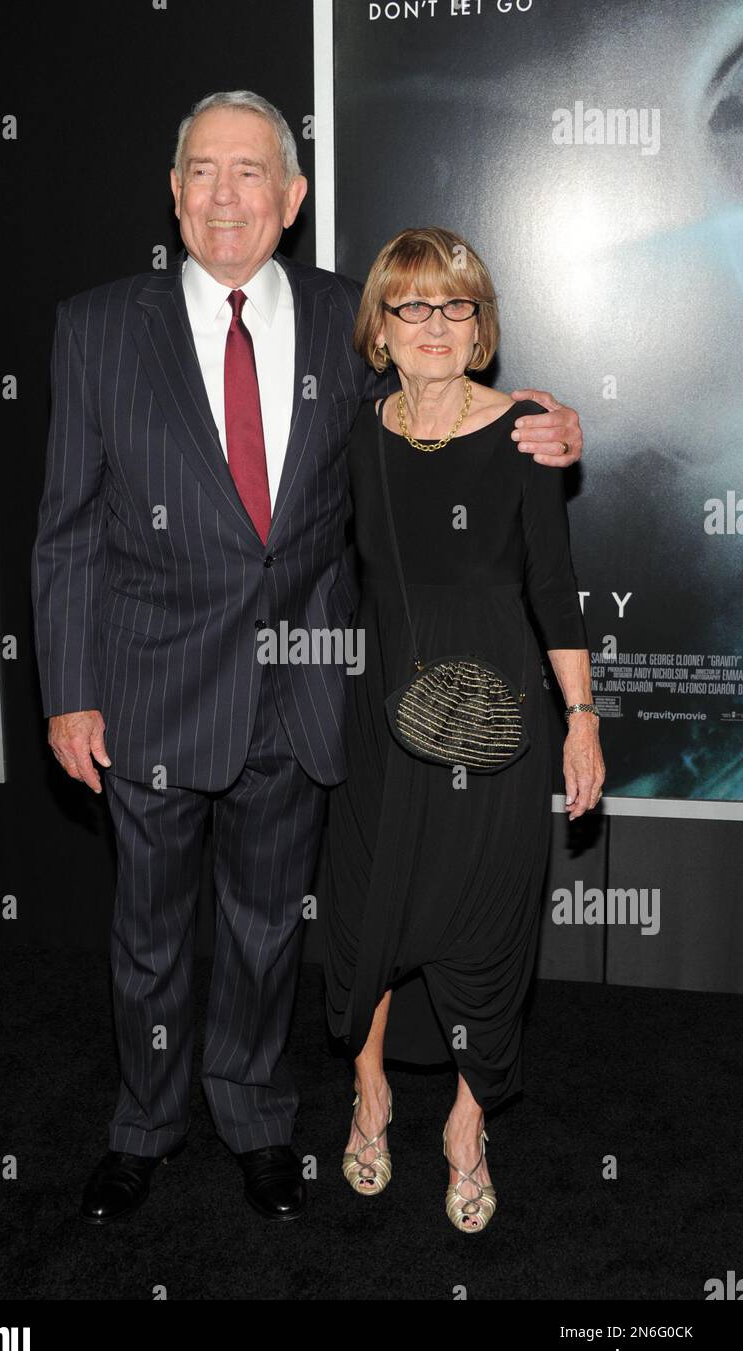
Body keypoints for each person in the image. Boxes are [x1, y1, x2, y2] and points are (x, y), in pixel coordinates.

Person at [31, 92, 584, 1226]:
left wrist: (550, 423)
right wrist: (71, 692)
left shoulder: (351, 319)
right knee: (145, 932)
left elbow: (446, 414)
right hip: (145, 690)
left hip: (303, 690)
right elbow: (67, 528)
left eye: (250, 174)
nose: (224, 195)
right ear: (174, 192)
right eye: (201, 171)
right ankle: (144, 1124)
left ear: (292, 198)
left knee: (264, 929)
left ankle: (255, 1120)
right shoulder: (96, 326)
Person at [324, 227, 604, 1232]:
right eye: (411, 306)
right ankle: (369, 1095)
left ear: (479, 325)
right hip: (380, 727)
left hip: (496, 730)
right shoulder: (358, 437)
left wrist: (582, 719)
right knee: (363, 922)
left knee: (488, 933)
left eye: (455, 307)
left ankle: (468, 1124)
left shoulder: (526, 432)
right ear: (381, 328)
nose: (434, 326)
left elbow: (556, 592)